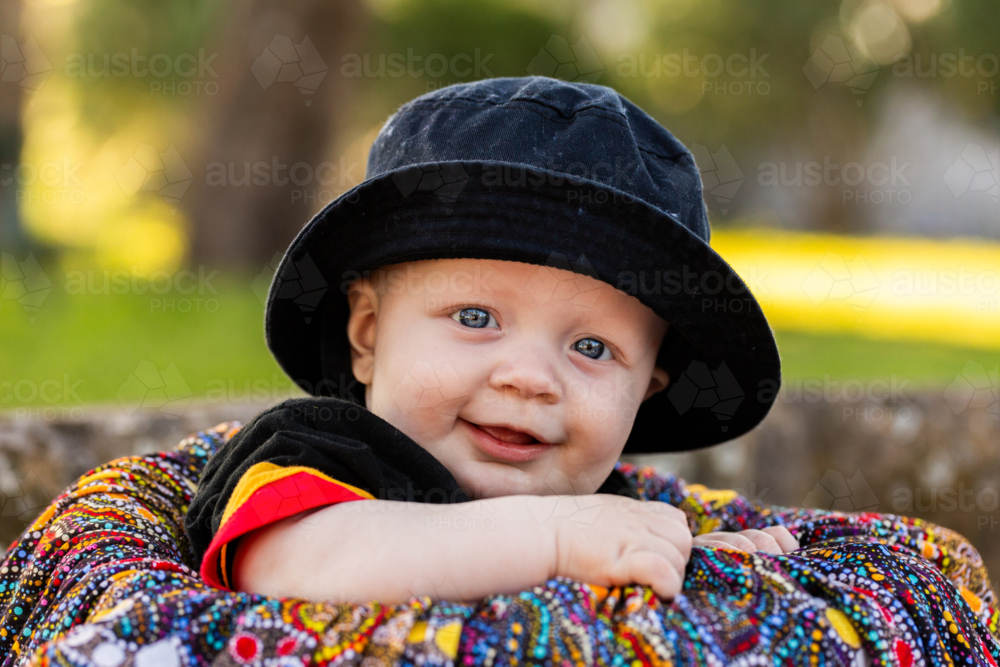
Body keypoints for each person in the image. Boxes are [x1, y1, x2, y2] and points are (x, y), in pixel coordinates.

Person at [184, 75, 800, 605]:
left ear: (643, 393)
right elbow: (289, 562)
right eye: (475, 317)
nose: (529, 378)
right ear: (368, 335)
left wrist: (677, 558)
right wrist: (553, 540)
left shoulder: (594, 495)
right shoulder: (319, 452)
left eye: (591, 348)